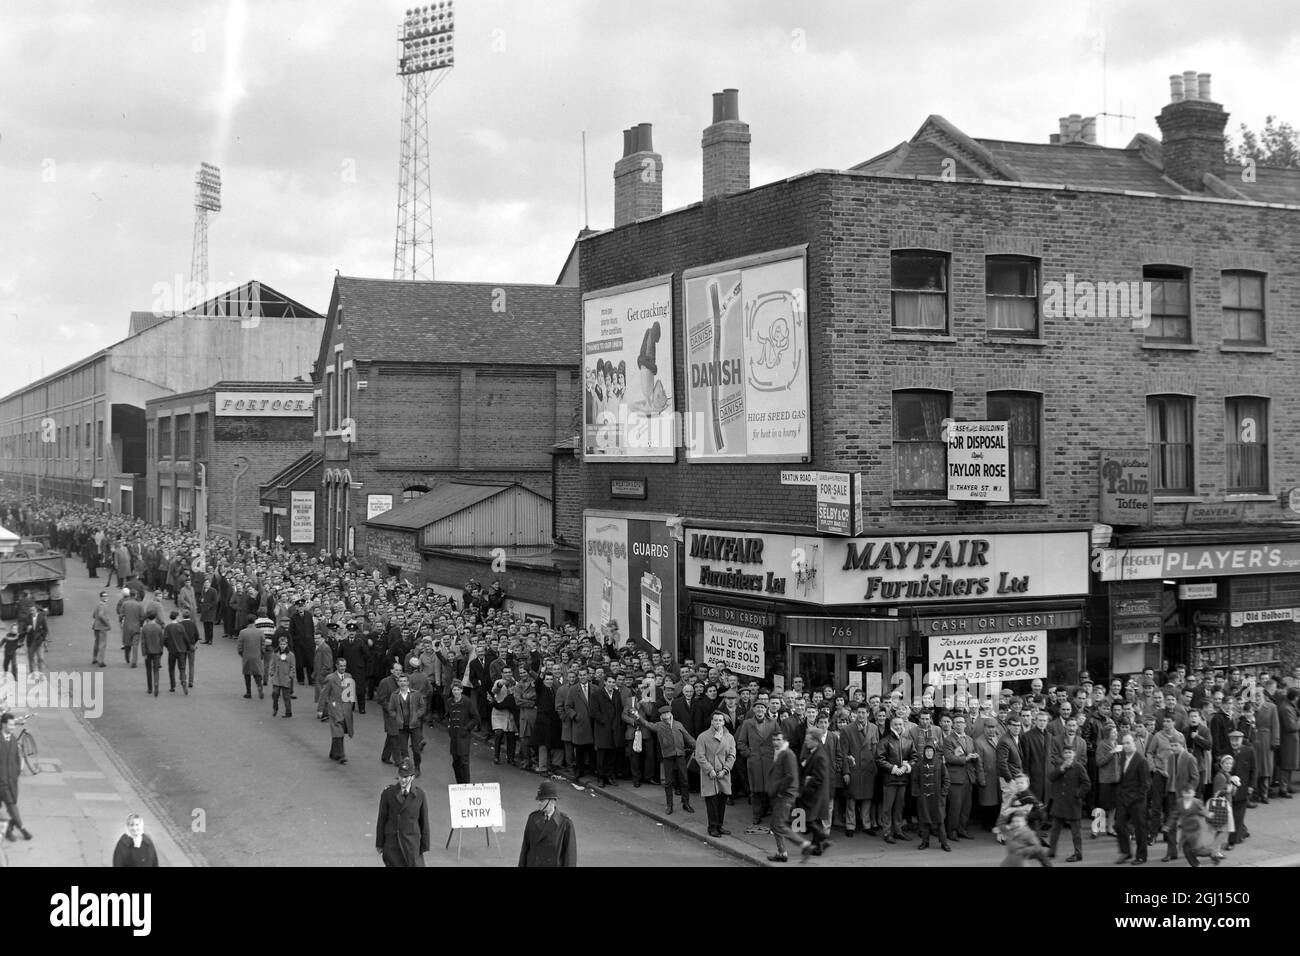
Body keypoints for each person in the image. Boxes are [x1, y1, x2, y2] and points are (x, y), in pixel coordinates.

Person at [373, 757, 429, 867]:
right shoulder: (388, 794)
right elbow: (382, 819)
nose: (403, 780)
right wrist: (379, 844)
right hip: (393, 844)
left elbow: (424, 822)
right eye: (401, 776)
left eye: (406, 777)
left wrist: (424, 845)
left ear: (412, 777)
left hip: (411, 845)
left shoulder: (420, 795)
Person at [765, 729, 808, 862]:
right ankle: (782, 853)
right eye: (774, 740)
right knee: (775, 824)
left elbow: (790, 776)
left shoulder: (787, 754)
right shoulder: (781, 752)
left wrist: (779, 791)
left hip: (785, 794)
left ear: (784, 740)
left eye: (778, 739)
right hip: (782, 794)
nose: (775, 742)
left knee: (778, 825)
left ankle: (803, 845)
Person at [518, 779, 577, 867]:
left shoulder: (565, 823)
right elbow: (525, 849)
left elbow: (570, 857)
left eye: (542, 800)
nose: (539, 803)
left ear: (552, 801)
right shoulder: (532, 818)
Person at [696, 711, 737, 838]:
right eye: (715, 720)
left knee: (722, 800)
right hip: (710, 774)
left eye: (720, 720)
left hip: (723, 773)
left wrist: (725, 769)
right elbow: (700, 756)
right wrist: (710, 770)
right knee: (712, 800)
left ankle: (719, 825)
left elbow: (732, 755)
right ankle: (712, 827)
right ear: (711, 722)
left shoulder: (729, 737)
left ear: (724, 722)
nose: (718, 723)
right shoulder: (703, 737)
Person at [1112, 732, 1151, 865]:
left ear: (1134, 744)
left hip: (1137, 801)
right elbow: (1122, 778)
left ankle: (1141, 856)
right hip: (1123, 799)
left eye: (1128, 743)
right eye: (1124, 743)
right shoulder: (1123, 756)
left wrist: (1135, 798)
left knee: (1140, 830)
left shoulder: (1141, 761)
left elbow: (1145, 785)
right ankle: (1125, 852)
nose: (1126, 745)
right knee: (1118, 825)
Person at [1046, 745, 1089, 862]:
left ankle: (1078, 853)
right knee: (1055, 830)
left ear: (1074, 754)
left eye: (1070, 752)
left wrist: (1077, 794)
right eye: (1065, 752)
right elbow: (1051, 777)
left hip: (1073, 804)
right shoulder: (1060, 765)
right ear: (1062, 754)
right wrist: (1062, 768)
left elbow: (1087, 784)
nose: (1068, 754)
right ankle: (1051, 851)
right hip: (1059, 803)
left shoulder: (1079, 767)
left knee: (1076, 832)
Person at [654, 704, 695, 815]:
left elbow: (688, 737)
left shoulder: (678, 724)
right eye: (663, 713)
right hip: (668, 756)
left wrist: (698, 745)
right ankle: (669, 805)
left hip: (680, 755)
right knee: (668, 782)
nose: (666, 715)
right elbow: (647, 725)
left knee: (684, 780)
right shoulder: (659, 725)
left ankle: (686, 803)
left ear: (670, 713)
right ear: (661, 716)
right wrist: (638, 717)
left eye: (667, 713)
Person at [800, 723, 833, 856]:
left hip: (816, 794)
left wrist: (808, 782)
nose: (806, 743)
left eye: (808, 740)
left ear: (815, 740)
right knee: (816, 821)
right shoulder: (814, 752)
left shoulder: (819, 755)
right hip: (817, 794)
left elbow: (818, 778)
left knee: (809, 820)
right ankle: (817, 847)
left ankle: (824, 839)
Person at [910, 742, 950, 851]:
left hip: (937, 798)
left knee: (940, 820)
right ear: (924, 752)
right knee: (925, 820)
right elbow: (914, 780)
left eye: (931, 751)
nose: (929, 753)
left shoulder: (939, 763)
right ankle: (925, 842)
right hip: (924, 798)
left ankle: (944, 843)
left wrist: (943, 793)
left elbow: (946, 779)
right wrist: (917, 794)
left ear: (934, 752)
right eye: (927, 751)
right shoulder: (919, 764)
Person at [387, 672, 427, 776]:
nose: (403, 683)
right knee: (404, 750)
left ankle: (417, 767)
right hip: (402, 726)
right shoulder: (394, 695)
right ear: (398, 682)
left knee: (416, 749)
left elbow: (422, 707)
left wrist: (417, 715)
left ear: (408, 682)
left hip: (414, 726)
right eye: (400, 681)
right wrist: (396, 717)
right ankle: (407, 769)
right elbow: (390, 709)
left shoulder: (416, 694)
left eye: (405, 681)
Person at [0, 713, 32, 841]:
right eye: (10, 725)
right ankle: (22, 828)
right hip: (1, 781)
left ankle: (8, 828)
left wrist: (15, 773)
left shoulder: (13, 739)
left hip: (11, 780)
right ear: (3, 724)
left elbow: (17, 759)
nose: (13, 727)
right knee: (11, 805)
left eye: (14, 725)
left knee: (11, 805)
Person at [321, 658, 356, 764]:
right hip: (334, 707)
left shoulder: (349, 677)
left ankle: (333, 752)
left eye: (344, 666)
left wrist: (351, 705)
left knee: (340, 731)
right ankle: (341, 755)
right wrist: (321, 709)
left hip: (345, 708)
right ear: (336, 666)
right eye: (341, 666)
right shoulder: (330, 678)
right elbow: (324, 694)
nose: (343, 668)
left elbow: (351, 693)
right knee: (338, 731)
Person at [445, 681, 478, 784]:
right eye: (454, 690)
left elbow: (476, 718)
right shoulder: (449, 701)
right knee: (455, 761)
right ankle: (459, 783)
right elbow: (447, 715)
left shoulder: (467, 702)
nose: (456, 692)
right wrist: (449, 726)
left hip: (463, 735)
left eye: (458, 689)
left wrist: (466, 728)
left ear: (461, 690)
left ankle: (466, 784)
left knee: (464, 761)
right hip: (454, 735)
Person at [162, 610, 190, 695]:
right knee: (182, 667)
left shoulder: (168, 627)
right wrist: (188, 647)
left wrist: (168, 647)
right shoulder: (181, 626)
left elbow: (164, 640)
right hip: (181, 650)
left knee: (171, 668)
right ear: (177, 617)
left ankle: (172, 686)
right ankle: (183, 680)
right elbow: (185, 638)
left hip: (172, 651)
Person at [236, 617, 265, 700]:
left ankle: (248, 692)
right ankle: (259, 686)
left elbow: (240, 646)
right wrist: (262, 653)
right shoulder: (260, 632)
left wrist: (242, 654)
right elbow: (263, 644)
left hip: (247, 656)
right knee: (257, 673)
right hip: (257, 656)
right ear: (254, 621)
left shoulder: (243, 632)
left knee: (247, 674)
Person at [268, 634, 295, 718]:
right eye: (281, 644)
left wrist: (290, 675)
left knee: (286, 696)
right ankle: (275, 707)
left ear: (287, 644)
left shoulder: (291, 655)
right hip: (277, 677)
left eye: (284, 644)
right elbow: (272, 664)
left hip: (286, 678)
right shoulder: (275, 653)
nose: (282, 646)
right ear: (279, 644)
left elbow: (293, 666)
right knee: (275, 693)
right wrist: (271, 672)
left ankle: (288, 712)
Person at [139, 608, 165, 697]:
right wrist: (161, 651)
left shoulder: (145, 628)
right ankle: (156, 683)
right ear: (155, 617)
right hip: (157, 651)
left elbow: (143, 642)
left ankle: (150, 688)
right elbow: (162, 641)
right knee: (156, 670)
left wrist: (144, 653)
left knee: (148, 670)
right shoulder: (159, 627)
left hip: (148, 652)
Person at [90, 590, 113, 668]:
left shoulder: (97, 605)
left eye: (106, 596)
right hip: (102, 627)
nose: (105, 597)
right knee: (102, 644)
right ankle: (101, 661)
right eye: (104, 596)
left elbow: (94, 615)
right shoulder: (102, 605)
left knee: (97, 642)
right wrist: (107, 624)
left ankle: (94, 658)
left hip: (96, 626)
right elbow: (100, 615)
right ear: (101, 597)